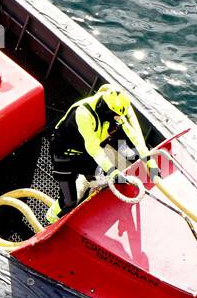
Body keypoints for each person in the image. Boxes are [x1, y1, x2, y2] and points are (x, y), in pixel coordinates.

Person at [47, 84, 156, 223]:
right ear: (107, 110)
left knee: (107, 170)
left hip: (85, 154)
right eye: (115, 116)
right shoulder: (83, 113)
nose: (117, 119)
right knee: (69, 201)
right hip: (63, 157)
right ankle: (50, 220)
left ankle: (88, 181)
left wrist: (149, 160)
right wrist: (112, 171)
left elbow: (134, 136)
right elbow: (94, 148)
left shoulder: (111, 112)